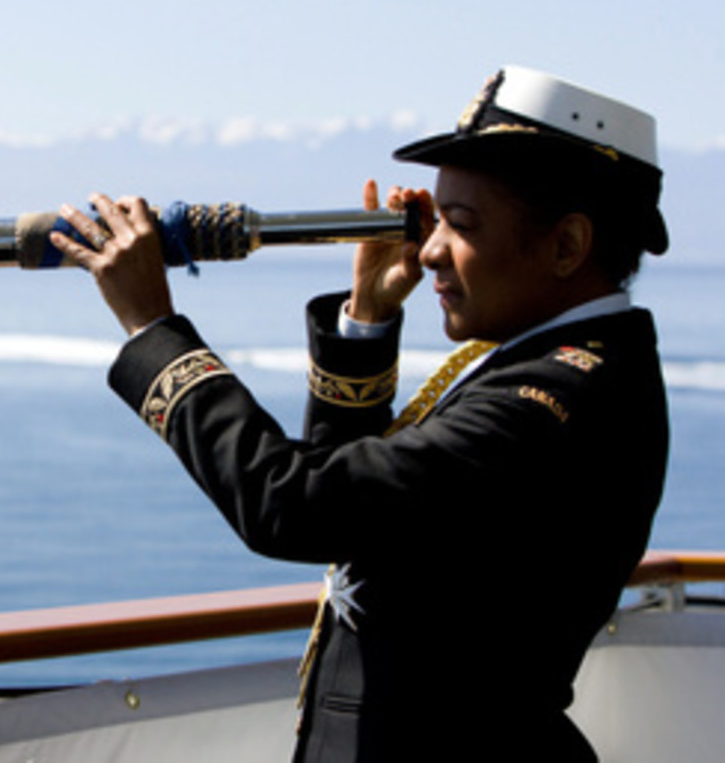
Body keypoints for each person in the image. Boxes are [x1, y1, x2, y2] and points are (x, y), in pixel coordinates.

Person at [50, 65, 669, 762]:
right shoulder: (557, 365)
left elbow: (295, 504)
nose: (430, 250)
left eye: (461, 225)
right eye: (436, 222)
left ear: (567, 246)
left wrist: (153, 330)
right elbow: (360, 514)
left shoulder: (553, 400)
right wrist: (368, 318)